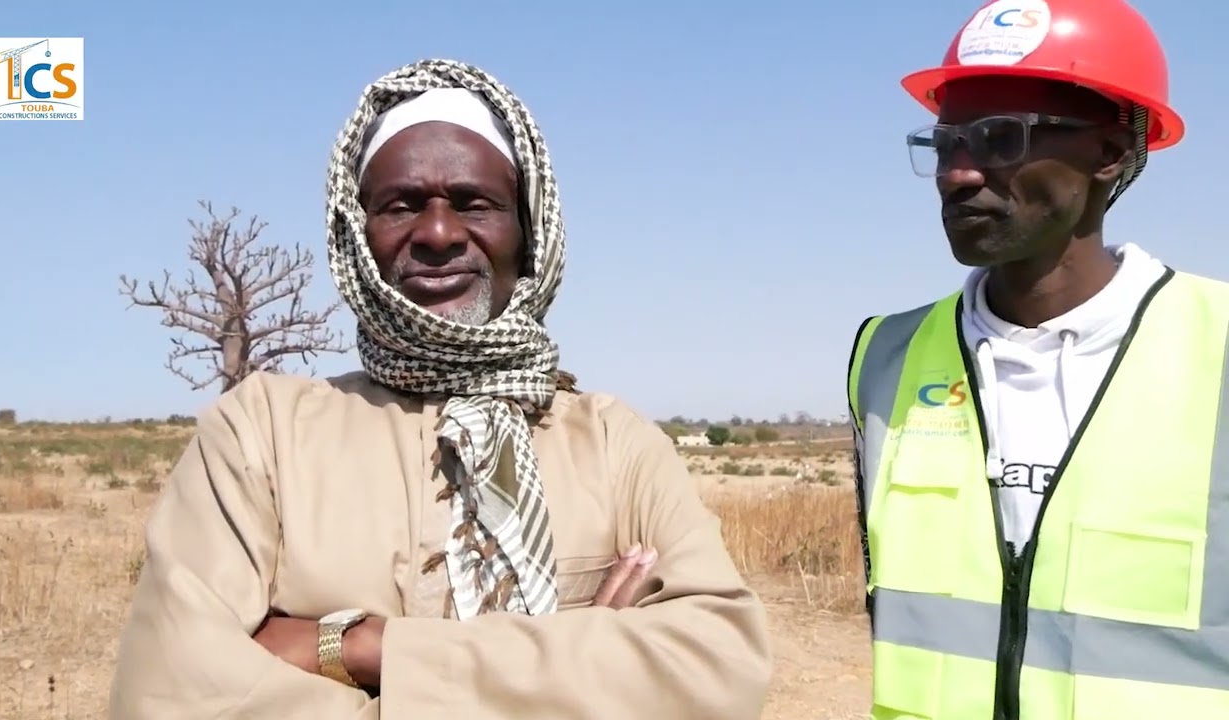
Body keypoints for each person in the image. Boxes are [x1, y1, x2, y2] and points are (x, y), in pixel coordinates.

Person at [108, 58, 771, 719]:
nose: (437, 233)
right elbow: (174, 695)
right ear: (357, 237)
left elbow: (719, 670)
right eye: (400, 206)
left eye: (474, 203)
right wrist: (585, 668)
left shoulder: (612, 444)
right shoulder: (262, 435)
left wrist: (365, 648)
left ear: (529, 232)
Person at [846, 1, 1229, 718]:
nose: (957, 175)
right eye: (946, 144)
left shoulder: (1219, 345)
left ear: (1110, 152)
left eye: (1000, 138)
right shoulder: (885, 358)